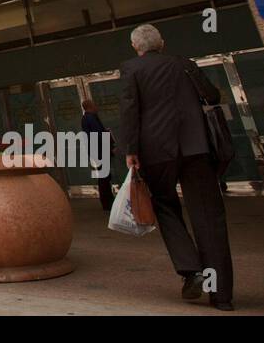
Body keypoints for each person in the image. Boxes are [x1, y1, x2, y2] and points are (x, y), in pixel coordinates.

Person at [119, 23, 235, 311]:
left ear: (136, 47)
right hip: (196, 148)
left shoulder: (132, 69)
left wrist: (130, 150)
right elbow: (212, 96)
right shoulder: (184, 64)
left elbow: (130, 111)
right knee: (209, 217)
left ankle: (190, 269)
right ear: (163, 42)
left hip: (156, 152)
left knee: (164, 206)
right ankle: (221, 296)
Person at [80, 98, 114, 213]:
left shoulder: (85, 118)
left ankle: (107, 202)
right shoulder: (91, 118)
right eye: (94, 104)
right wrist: (109, 146)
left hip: (96, 151)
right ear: (90, 106)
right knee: (104, 177)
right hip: (100, 151)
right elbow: (98, 135)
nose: (96, 106)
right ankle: (108, 203)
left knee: (103, 176)